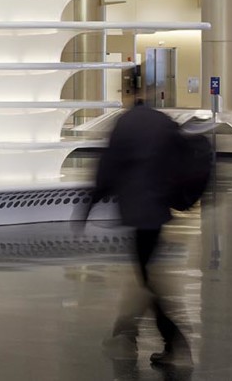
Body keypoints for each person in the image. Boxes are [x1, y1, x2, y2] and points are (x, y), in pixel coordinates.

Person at [84, 101, 195, 366]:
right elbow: (180, 158)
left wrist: (89, 204)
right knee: (145, 274)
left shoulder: (126, 124)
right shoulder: (162, 122)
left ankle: (170, 342)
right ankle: (127, 332)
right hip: (158, 207)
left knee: (146, 280)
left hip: (138, 209)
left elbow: (109, 165)